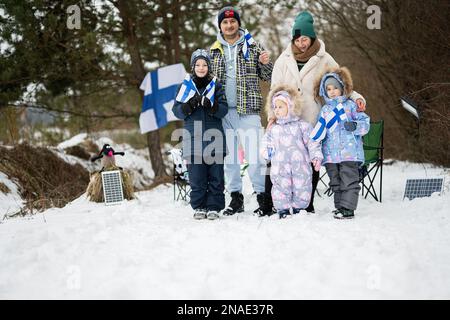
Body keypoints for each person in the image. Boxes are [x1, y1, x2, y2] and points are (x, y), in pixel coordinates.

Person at [269, 10, 367, 214]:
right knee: (285, 161)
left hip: (314, 118)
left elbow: (341, 83)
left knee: (309, 162)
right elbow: (274, 89)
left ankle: (307, 203)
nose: (301, 43)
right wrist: (272, 116)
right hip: (288, 120)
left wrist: (356, 97)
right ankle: (283, 202)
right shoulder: (283, 59)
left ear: (312, 37)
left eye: (305, 38)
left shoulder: (324, 58)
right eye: (298, 39)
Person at [209, 6, 274, 216]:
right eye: (225, 22)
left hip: (248, 111)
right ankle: (236, 198)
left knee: (255, 157)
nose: (229, 25)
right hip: (223, 113)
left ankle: (263, 198)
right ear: (220, 26)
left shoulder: (253, 46)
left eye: (232, 21)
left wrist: (266, 63)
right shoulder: (213, 51)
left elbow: (267, 75)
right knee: (230, 160)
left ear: (238, 23)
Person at [172, 49, 228, 220]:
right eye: (198, 64)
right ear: (193, 66)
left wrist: (212, 106)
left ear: (209, 66)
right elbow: (176, 111)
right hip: (193, 138)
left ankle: (214, 207)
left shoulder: (216, 86)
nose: (201, 68)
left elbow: (223, 110)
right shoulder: (185, 87)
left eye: (205, 64)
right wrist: (189, 105)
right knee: (197, 177)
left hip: (214, 139)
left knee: (216, 177)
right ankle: (199, 206)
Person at [310, 67, 370, 219]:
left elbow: (365, 124)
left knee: (349, 181)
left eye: (335, 87)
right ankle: (340, 207)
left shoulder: (350, 106)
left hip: (349, 153)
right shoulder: (324, 110)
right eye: (328, 89)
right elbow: (319, 131)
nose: (332, 91)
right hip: (330, 155)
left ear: (343, 88)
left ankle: (348, 208)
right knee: (335, 182)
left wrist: (355, 126)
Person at [262, 85, 323, 219]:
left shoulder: (302, 126)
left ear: (290, 107)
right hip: (280, 166)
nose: (277, 110)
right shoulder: (273, 129)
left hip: (300, 166)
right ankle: (282, 209)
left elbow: (312, 142)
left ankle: (299, 208)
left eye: (280, 107)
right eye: (275, 107)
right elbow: (266, 142)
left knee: (302, 186)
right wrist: (267, 152)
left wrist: (316, 156)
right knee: (280, 187)